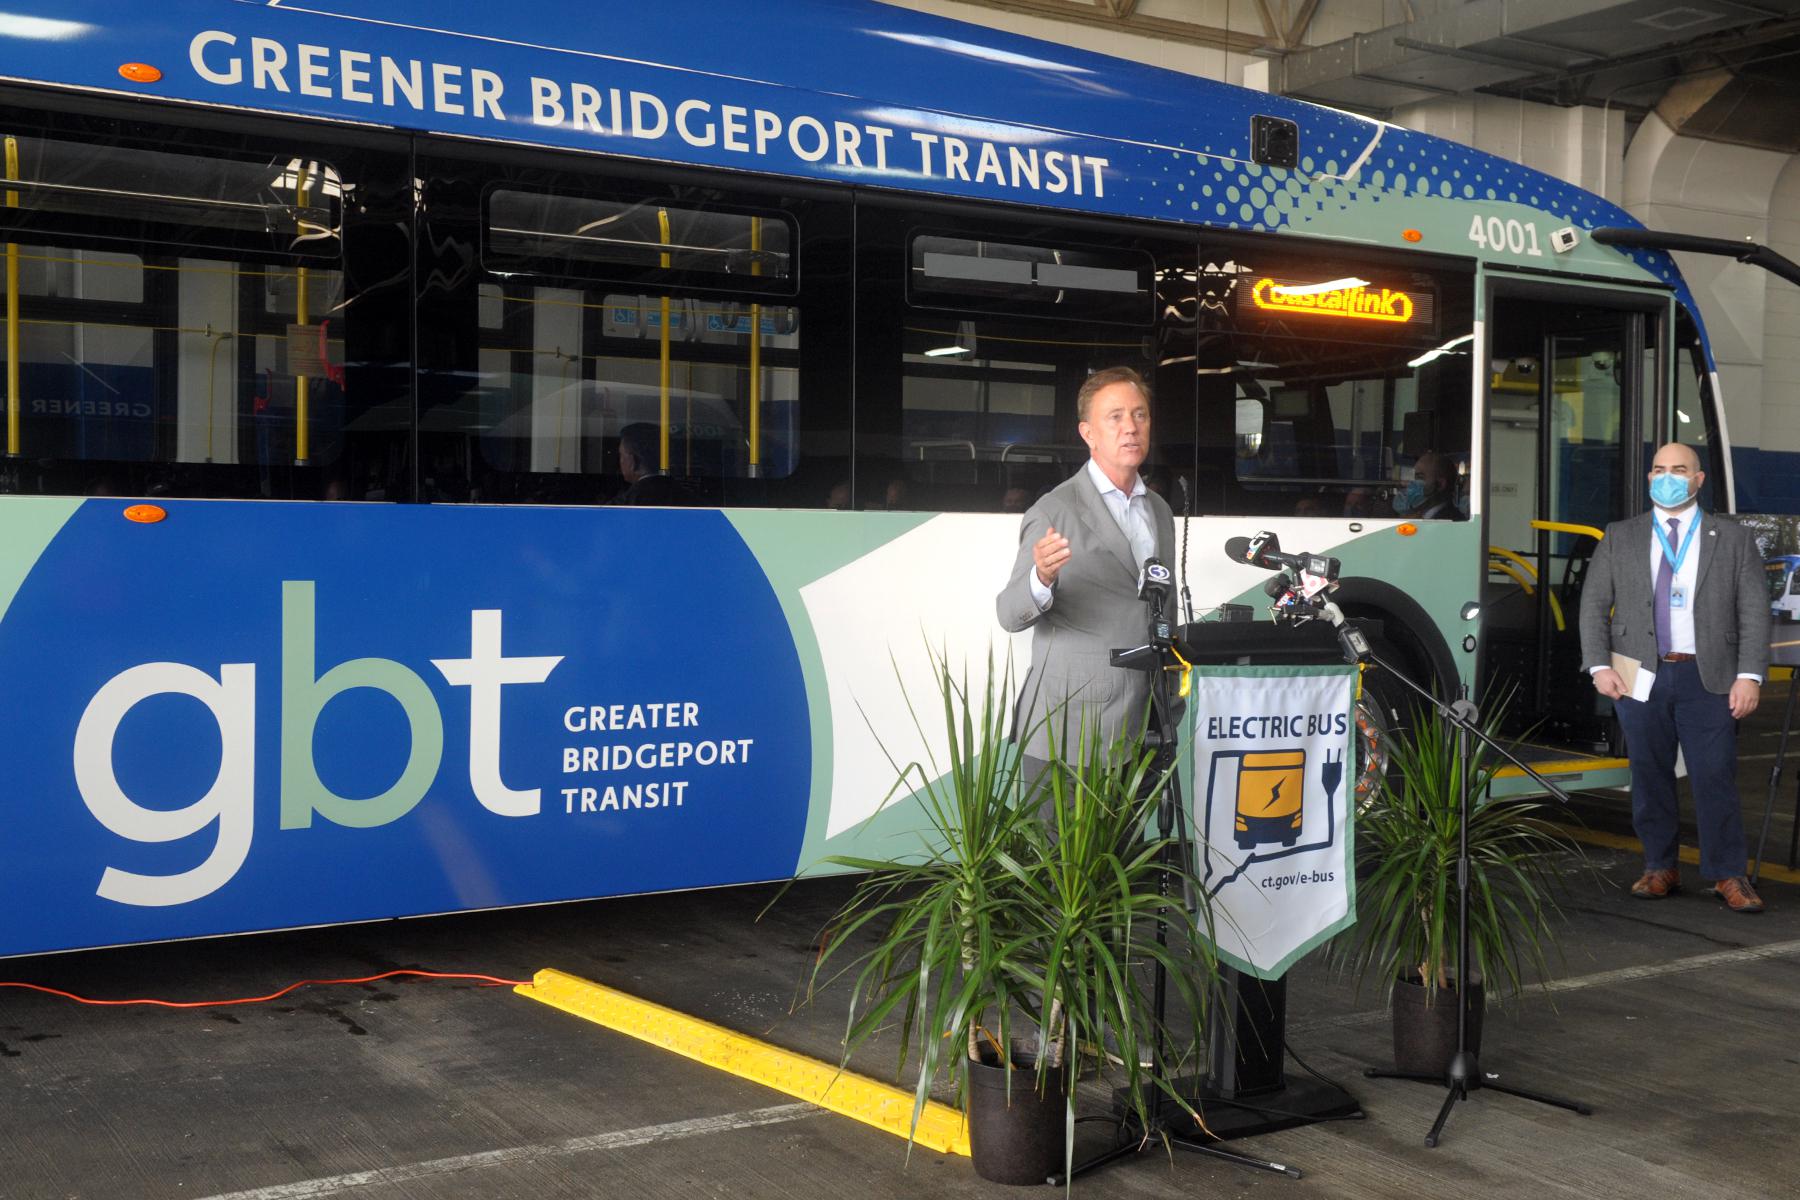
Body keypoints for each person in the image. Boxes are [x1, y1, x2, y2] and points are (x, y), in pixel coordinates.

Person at [1579, 442, 1770, 913]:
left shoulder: (1733, 538)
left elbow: (1753, 611)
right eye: (1660, 469)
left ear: (1698, 479)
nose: (1668, 477)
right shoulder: (1620, 535)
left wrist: (1749, 676)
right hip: (1638, 675)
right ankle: (1659, 866)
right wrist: (1599, 666)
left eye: (1679, 469)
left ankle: (1728, 873)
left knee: (1714, 775)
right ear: (1649, 478)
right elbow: (1593, 604)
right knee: (1649, 775)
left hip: (1710, 676)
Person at [996, 365, 1175, 779]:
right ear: (1088, 433)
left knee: (1135, 827)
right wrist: (1041, 578)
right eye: (1115, 417)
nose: (1130, 427)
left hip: (1146, 721)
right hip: (1070, 730)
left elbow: (1160, 605)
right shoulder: (1054, 510)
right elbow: (1008, 613)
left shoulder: (1160, 510)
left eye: (1140, 414)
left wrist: (1169, 698)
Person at [615, 422, 683, 505]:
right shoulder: (683, 494)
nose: (620, 461)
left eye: (621, 455)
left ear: (633, 461)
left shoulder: (626, 501)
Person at [1392, 450, 1458, 518]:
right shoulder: (1419, 516)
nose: (1405, 484)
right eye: (1412, 477)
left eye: (1419, 477)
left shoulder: (1449, 520)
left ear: (1440, 484)